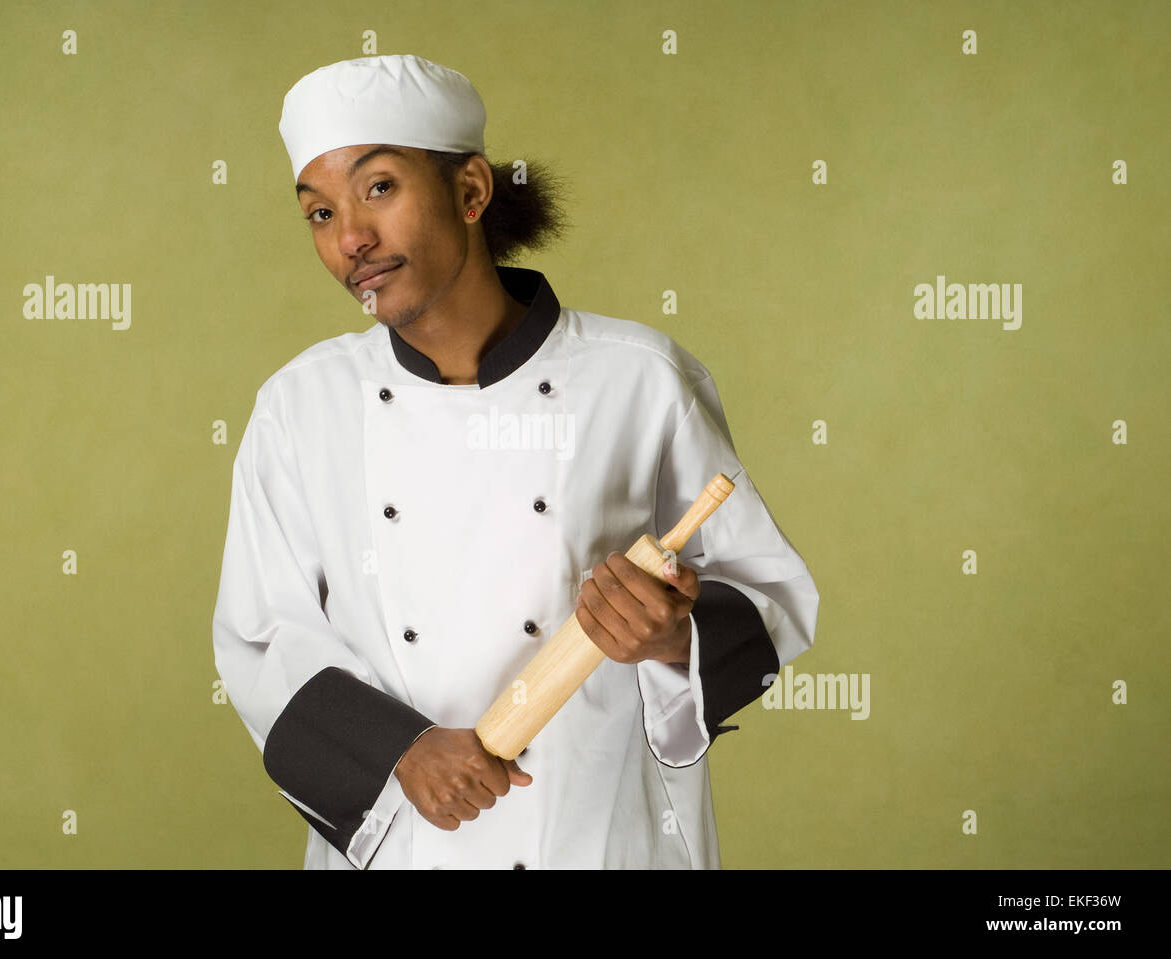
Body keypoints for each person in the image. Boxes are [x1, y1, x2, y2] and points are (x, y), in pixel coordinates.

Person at [212, 53, 820, 869]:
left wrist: (675, 636)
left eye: (379, 187)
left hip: (602, 834)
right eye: (319, 213)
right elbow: (261, 634)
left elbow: (769, 591)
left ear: (470, 190)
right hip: (407, 841)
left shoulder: (639, 378)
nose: (351, 238)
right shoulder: (299, 407)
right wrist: (400, 749)